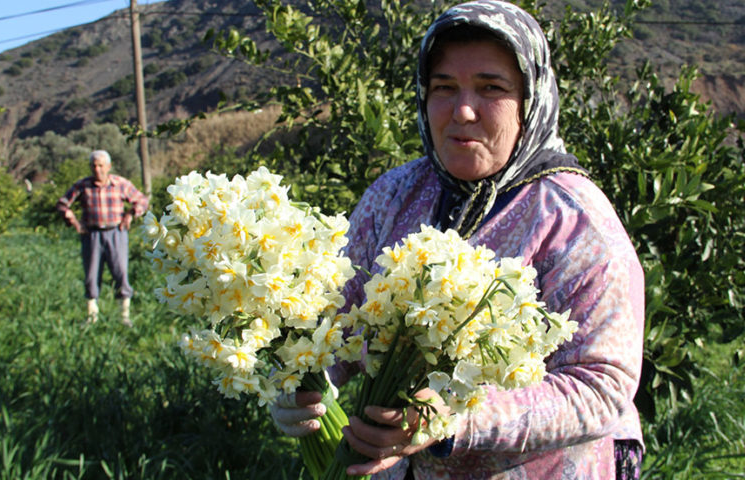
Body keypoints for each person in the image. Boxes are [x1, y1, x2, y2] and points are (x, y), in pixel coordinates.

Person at [270, 1, 645, 478]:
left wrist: (452, 418)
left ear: (531, 100)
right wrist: (303, 382)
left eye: (492, 88)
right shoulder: (395, 195)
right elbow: (337, 321)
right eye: (444, 87)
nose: (462, 110)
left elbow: (601, 388)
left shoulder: (573, 220)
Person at [57, 150, 149, 327]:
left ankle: (123, 316)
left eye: (100, 166)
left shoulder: (120, 184)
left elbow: (142, 200)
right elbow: (62, 204)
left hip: (116, 232)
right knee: (91, 274)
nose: (97, 169)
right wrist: (73, 221)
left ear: (108, 166)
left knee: (120, 272)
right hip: (92, 234)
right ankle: (92, 317)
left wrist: (130, 214)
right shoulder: (83, 185)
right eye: (94, 166)